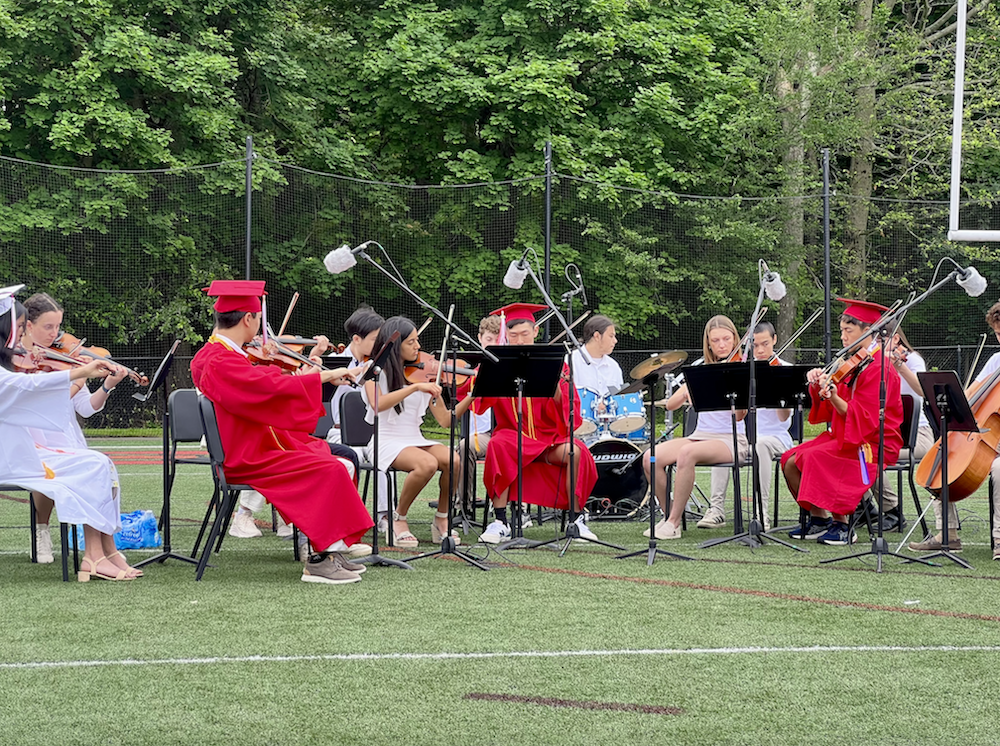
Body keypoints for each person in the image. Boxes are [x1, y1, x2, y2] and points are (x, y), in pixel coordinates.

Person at [190, 280, 373, 586]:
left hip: (252, 442)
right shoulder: (219, 360)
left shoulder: (217, 354)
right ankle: (319, 561)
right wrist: (325, 374)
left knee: (332, 458)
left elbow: (263, 378)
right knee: (329, 468)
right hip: (248, 453)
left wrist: (308, 374)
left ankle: (330, 550)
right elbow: (267, 388)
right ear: (248, 318)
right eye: (259, 319)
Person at [0, 286, 141, 581]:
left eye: (57, 327)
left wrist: (102, 384)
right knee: (94, 465)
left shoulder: (20, 366)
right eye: (26, 327)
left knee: (102, 464)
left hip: (27, 450)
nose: (54, 334)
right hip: (18, 455)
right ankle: (94, 555)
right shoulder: (14, 372)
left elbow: (80, 407)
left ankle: (100, 554)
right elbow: (30, 389)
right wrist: (78, 373)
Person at [475, 303, 599, 544]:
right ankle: (500, 521)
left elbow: (569, 412)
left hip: (549, 439)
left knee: (577, 452)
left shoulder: (556, 364)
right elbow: (479, 399)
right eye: (513, 336)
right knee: (497, 444)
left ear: (535, 331)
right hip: (513, 437)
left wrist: (553, 388)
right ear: (505, 336)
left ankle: (576, 519)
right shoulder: (499, 363)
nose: (520, 341)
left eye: (524, 334)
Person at [782, 298, 903, 546]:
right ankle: (820, 519)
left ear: (868, 330)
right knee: (789, 460)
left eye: (849, 331)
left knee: (816, 457)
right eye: (841, 331)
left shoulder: (880, 368)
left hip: (872, 441)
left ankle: (844, 525)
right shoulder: (853, 363)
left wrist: (834, 396)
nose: (843, 337)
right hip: (846, 434)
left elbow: (863, 418)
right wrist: (819, 385)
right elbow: (833, 409)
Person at [362, 316, 473, 548]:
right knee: (427, 464)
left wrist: (473, 394)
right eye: (411, 342)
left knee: (453, 460)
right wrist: (414, 388)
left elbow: (445, 420)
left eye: (417, 340)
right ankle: (398, 519)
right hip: (386, 440)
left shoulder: (423, 375)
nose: (418, 347)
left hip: (414, 438)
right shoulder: (373, 372)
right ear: (395, 345)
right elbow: (378, 404)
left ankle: (442, 519)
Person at [641, 315, 749, 541]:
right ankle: (668, 513)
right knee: (651, 457)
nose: (721, 345)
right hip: (701, 436)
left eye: (726, 339)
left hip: (730, 439)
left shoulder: (742, 368)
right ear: (708, 343)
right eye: (716, 340)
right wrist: (689, 391)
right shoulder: (702, 369)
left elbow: (740, 416)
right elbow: (670, 405)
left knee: (686, 453)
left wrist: (726, 392)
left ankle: (673, 522)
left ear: (734, 339)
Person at [909, 302, 1000, 558]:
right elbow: (971, 393)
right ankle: (946, 533)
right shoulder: (996, 360)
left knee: (999, 468)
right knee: (944, 457)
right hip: (988, 437)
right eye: (998, 335)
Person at [704, 321, 792, 530]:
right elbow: (736, 417)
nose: (760, 350)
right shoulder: (743, 370)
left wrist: (780, 393)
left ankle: (762, 514)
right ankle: (716, 509)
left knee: (761, 445)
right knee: (724, 444)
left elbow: (783, 418)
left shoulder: (785, 370)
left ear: (775, 340)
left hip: (776, 438)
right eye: (755, 345)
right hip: (745, 438)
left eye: (765, 344)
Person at [859, 327, 934, 532]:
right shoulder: (873, 361)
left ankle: (892, 510)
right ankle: (863, 507)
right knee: (855, 451)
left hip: (916, 436)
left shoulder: (913, 360)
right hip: (887, 433)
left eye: (881, 339)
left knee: (871, 456)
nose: (876, 343)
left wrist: (900, 366)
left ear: (897, 339)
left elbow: (923, 391)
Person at [457, 315, 499, 514]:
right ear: (480, 339)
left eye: (497, 341)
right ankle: (464, 506)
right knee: (465, 446)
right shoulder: (472, 372)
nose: (492, 345)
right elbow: (458, 398)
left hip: (506, 432)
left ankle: (517, 507)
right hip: (483, 436)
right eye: (489, 340)